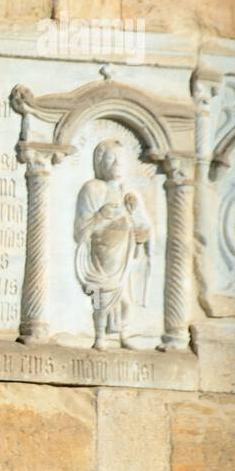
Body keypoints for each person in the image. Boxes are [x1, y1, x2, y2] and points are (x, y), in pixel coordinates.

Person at [73, 139, 153, 349]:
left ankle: (123, 335)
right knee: (102, 298)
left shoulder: (130, 193)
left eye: (120, 159)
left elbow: (143, 228)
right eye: (111, 158)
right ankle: (99, 337)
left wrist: (135, 216)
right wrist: (101, 215)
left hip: (125, 254)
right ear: (100, 163)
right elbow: (80, 230)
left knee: (126, 301)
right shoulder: (92, 189)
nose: (117, 163)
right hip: (101, 253)